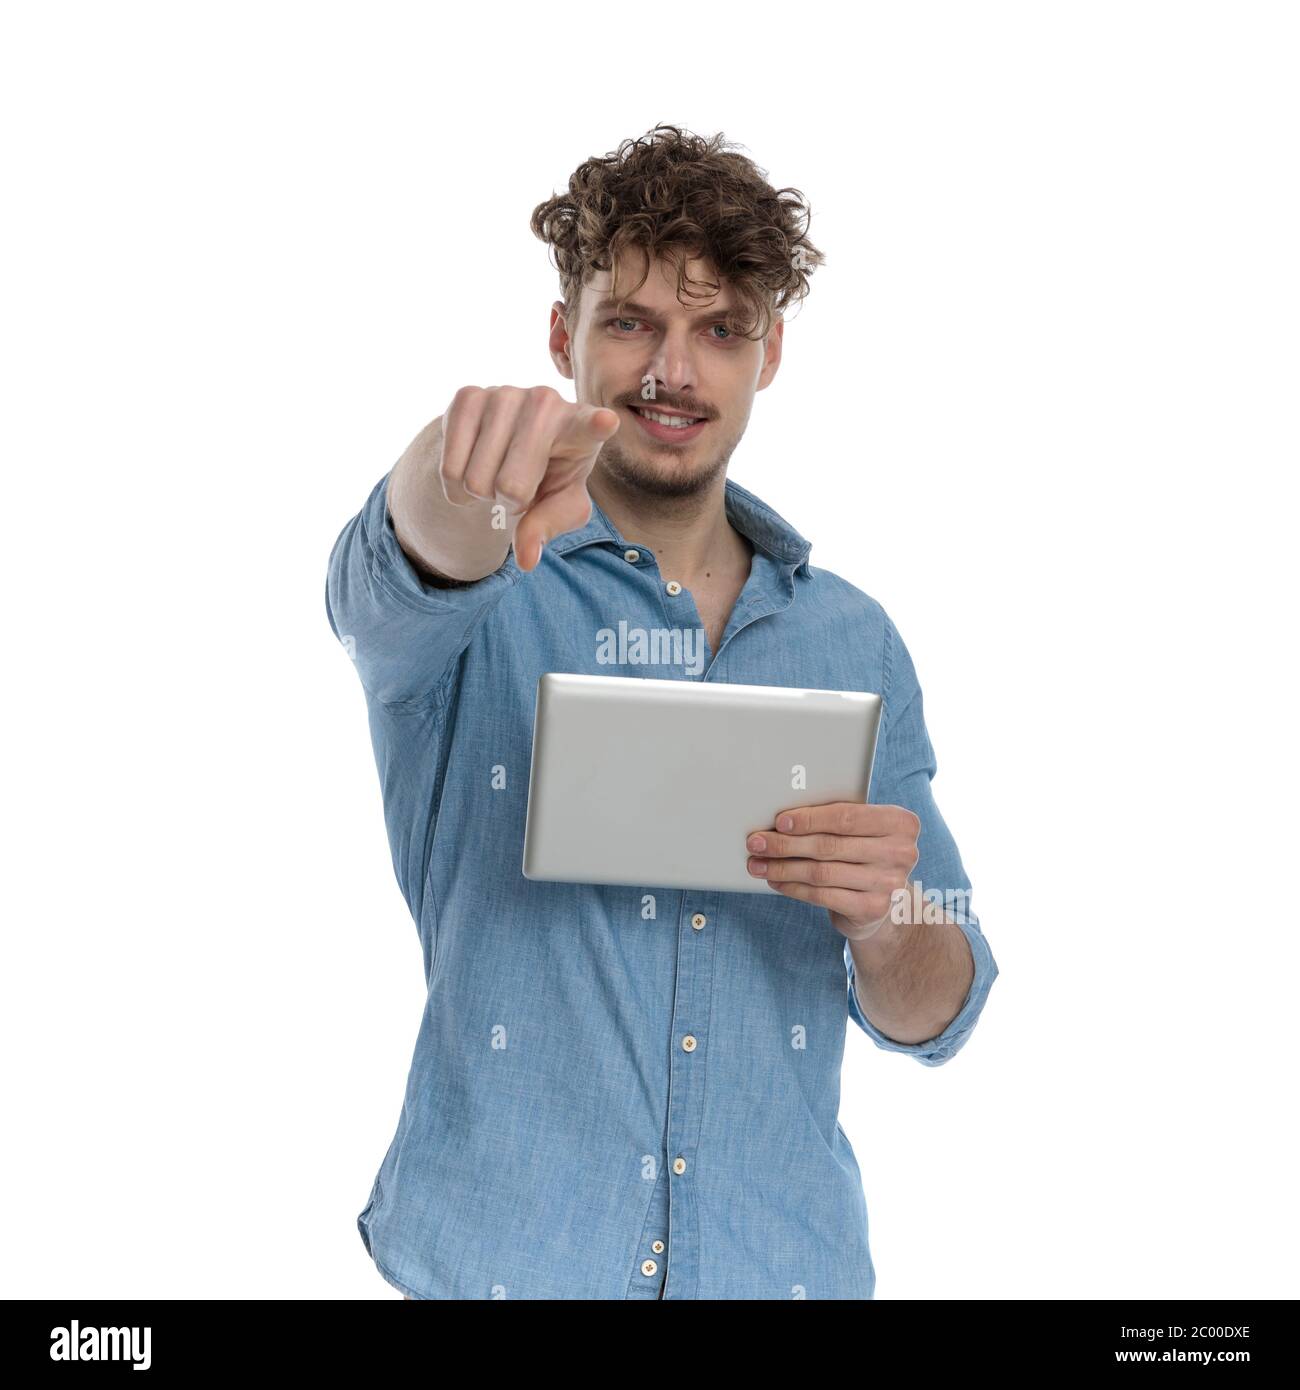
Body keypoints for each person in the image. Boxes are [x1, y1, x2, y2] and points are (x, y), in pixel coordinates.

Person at [326, 124, 999, 1301]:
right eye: (631, 321)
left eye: (719, 329)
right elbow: (392, 571)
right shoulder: (484, 595)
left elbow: (937, 1008)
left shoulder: (855, 640)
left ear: (769, 352)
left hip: (782, 1269)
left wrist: (891, 922)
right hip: (497, 1269)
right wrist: (451, 475)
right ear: (561, 336)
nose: (672, 373)